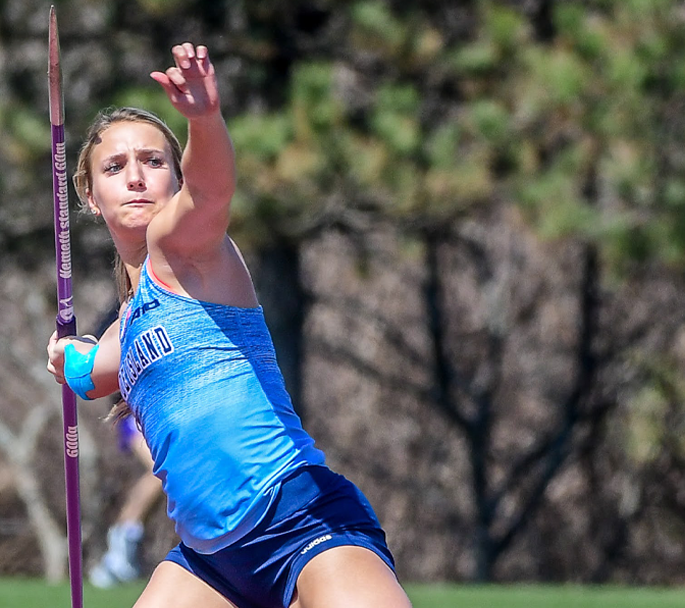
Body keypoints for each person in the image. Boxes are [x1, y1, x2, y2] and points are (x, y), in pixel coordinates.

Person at [47, 43, 412, 608]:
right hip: (210, 562)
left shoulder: (183, 252)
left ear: (173, 178)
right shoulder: (128, 321)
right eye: (116, 168)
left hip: (302, 522)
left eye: (153, 162)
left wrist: (204, 119)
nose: (137, 178)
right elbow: (91, 373)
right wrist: (64, 356)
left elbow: (211, 190)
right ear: (91, 197)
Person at [89, 409, 164, 588]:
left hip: (154, 411)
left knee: (162, 479)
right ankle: (120, 546)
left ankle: (126, 541)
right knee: (159, 470)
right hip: (137, 413)